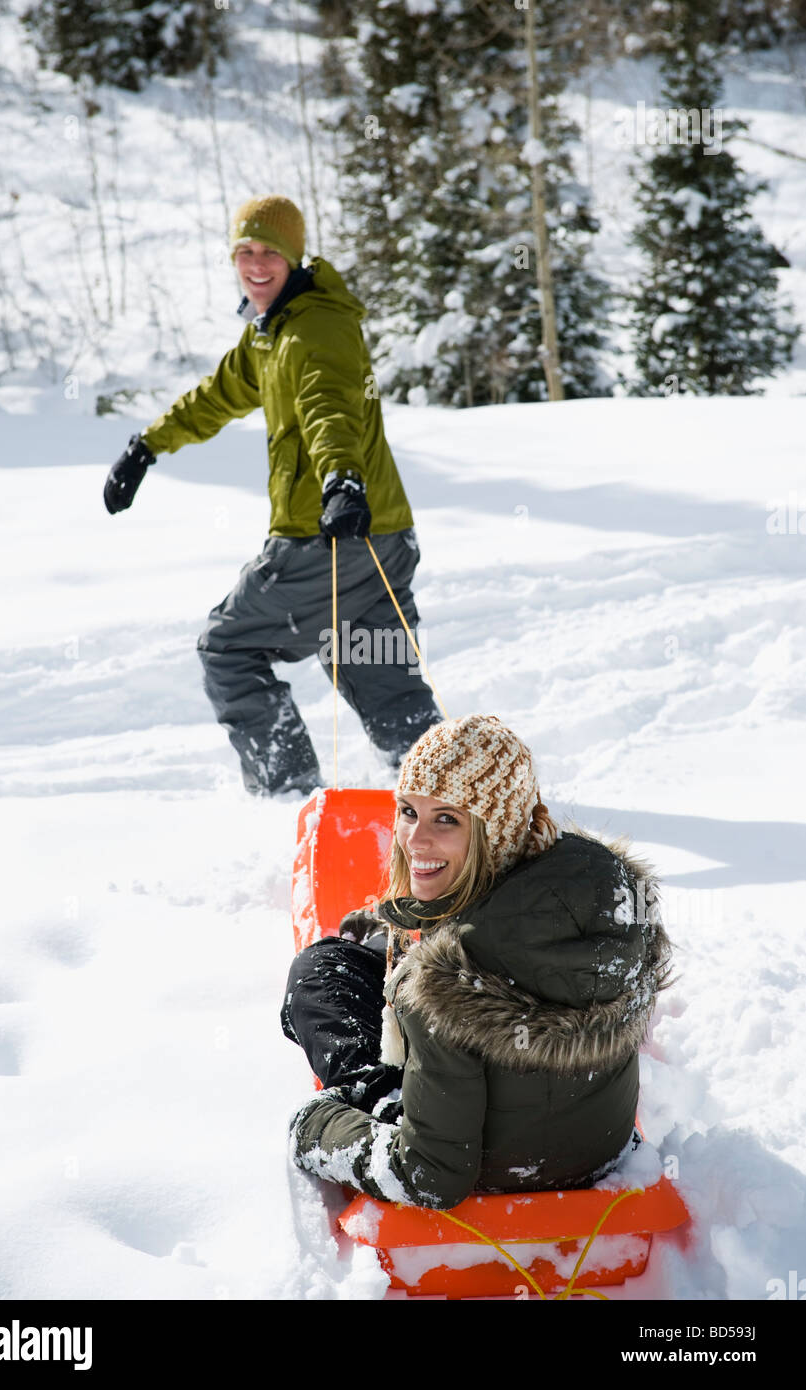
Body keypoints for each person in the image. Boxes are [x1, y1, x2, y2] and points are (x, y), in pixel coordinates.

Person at [102, 194, 441, 796]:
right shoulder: (270, 334)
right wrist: (146, 447)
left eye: (270, 254)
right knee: (383, 681)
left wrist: (341, 480)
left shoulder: (317, 327)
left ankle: (290, 797)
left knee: (229, 647)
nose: (257, 265)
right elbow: (215, 397)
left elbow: (328, 406)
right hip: (380, 535)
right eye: (245, 252)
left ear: (294, 257)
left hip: (329, 533)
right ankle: (456, 804)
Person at [283, 714, 673, 1210]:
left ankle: (375, 1088)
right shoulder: (610, 897)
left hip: (489, 1164)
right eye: (408, 811)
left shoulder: (446, 979)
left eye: (447, 818)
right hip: (599, 1149)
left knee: (323, 972)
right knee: (357, 958)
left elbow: (429, 1176)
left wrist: (314, 1130)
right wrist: (403, 917)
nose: (415, 839)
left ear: (495, 829)